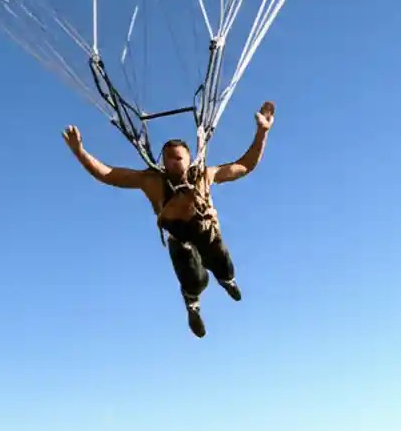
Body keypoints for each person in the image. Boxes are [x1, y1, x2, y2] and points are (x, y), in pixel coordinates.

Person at [62, 102, 275, 337]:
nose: (175, 162)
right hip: (178, 235)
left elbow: (245, 165)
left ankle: (227, 280)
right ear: (163, 162)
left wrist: (262, 132)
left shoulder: (205, 174)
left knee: (219, 258)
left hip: (205, 230)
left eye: (179, 157)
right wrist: (80, 152)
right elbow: (109, 174)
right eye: (170, 159)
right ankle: (193, 303)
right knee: (194, 278)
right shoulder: (151, 180)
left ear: (189, 158)